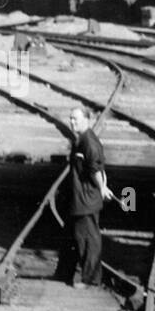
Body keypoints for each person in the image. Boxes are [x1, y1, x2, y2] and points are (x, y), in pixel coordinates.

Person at [60, 105, 116, 287]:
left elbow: (96, 169)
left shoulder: (89, 142)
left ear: (86, 120)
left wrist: (102, 188)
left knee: (88, 240)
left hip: (86, 200)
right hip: (80, 199)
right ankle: (66, 273)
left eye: (75, 119)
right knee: (77, 237)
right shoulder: (82, 140)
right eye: (70, 118)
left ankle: (91, 279)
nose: (71, 121)